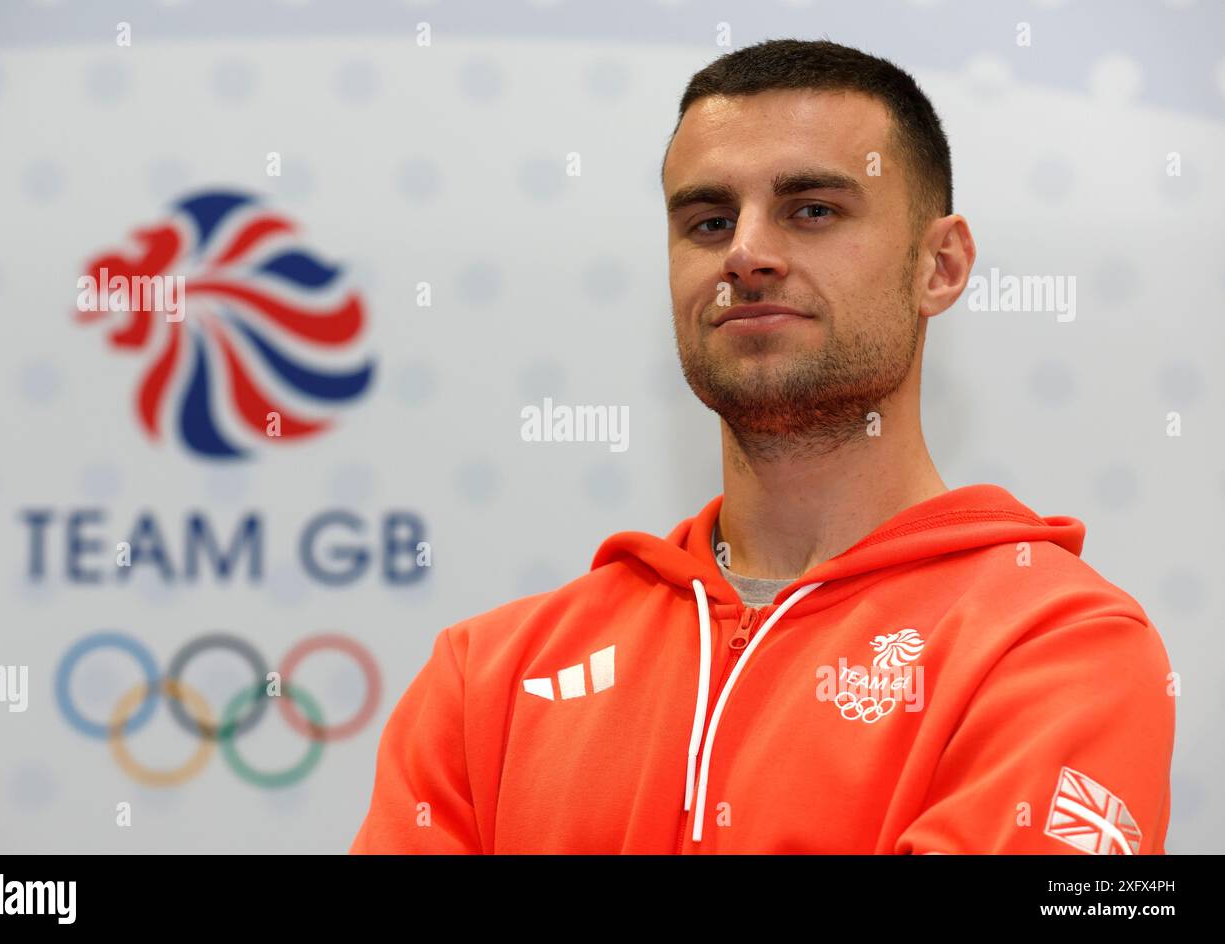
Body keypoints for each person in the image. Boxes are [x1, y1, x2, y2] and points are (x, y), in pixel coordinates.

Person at [349, 38, 1174, 854]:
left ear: (941, 265)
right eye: (708, 222)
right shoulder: (487, 677)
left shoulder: (1061, 647)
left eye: (812, 210)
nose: (745, 254)